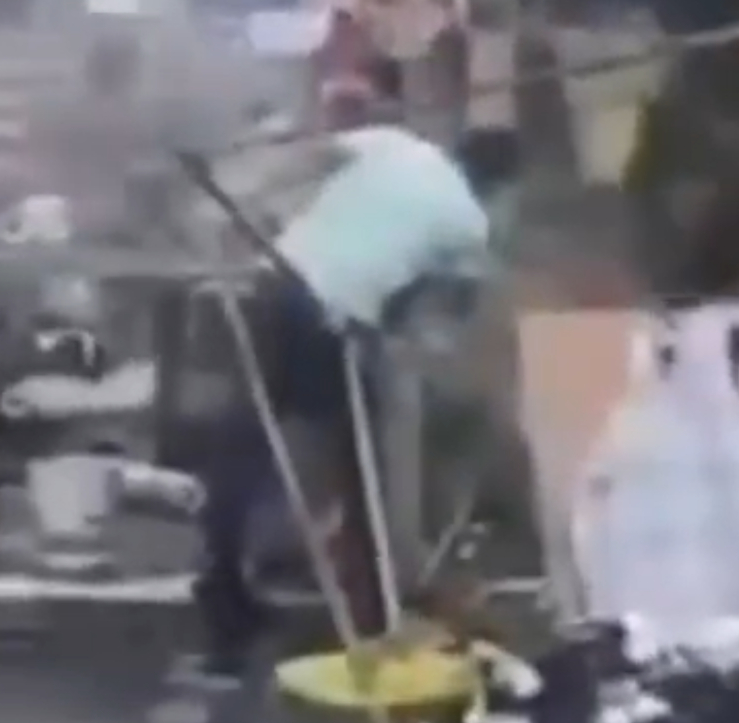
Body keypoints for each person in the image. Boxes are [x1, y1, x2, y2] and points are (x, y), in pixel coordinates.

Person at [190, 77, 521, 680]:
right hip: (330, 315)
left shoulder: (397, 145)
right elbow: (433, 313)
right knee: (364, 460)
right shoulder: (471, 224)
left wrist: (245, 197)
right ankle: (373, 606)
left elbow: (309, 155)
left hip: (273, 283)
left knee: (247, 447)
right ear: (499, 187)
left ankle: (225, 596)